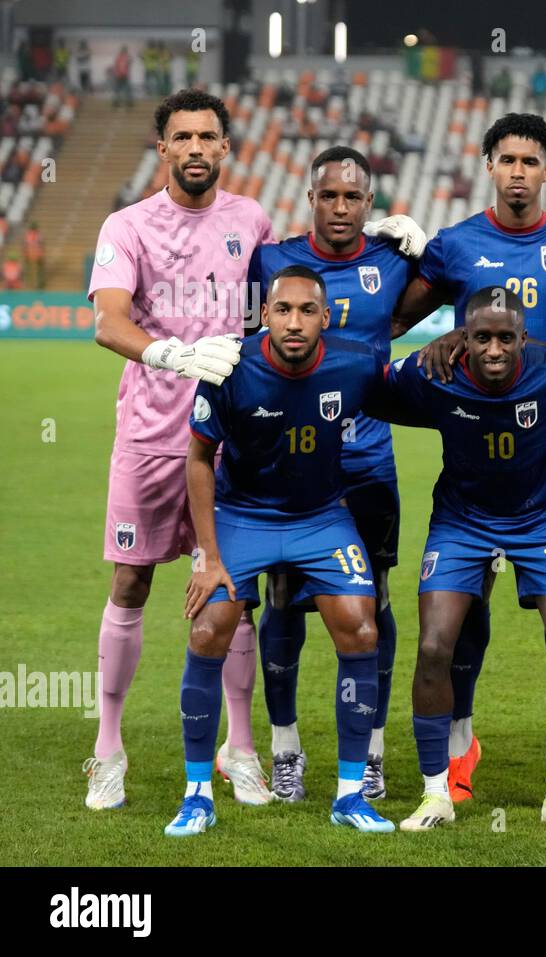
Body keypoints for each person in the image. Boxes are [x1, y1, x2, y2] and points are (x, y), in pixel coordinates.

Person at [393, 112, 546, 805]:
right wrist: (424, 320)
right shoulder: (455, 246)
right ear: (489, 165)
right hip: (474, 448)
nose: (519, 171)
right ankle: (460, 744)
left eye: (532, 160)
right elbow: (394, 322)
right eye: (508, 159)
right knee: (463, 611)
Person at [84, 89, 275, 812]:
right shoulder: (127, 224)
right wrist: (170, 353)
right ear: (162, 149)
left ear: (225, 147)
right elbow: (108, 320)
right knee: (131, 585)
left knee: (234, 595)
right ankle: (108, 748)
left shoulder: (251, 219)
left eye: (208, 137)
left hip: (231, 443)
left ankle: (240, 746)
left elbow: (290, 295)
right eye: (182, 137)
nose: (196, 148)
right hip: (149, 439)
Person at [169, 265, 393, 836]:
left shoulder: (357, 362)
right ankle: (197, 794)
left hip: (321, 517)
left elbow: (416, 398)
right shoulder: (230, 368)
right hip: (242, 517)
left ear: (325, 316)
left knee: (361, 629)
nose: (295, 323)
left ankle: (350, 794)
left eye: (307, 311)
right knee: (207, 629)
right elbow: (197, 459)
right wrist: (209, 556)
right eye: (283, 310)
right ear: (265, 314)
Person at [375, 288, 546, 833]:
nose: (494, 349)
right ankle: (434, 795)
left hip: (542, 519)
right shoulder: (433, 374)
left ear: (525, 338)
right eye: (481, 337)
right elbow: (365, 383)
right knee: (433, 646)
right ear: (461, 339)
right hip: (461, 522)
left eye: (505, 337)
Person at [247, 146, 425, 804]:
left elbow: (457, 283)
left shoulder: (393, 260)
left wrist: (425, 244)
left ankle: (372, 749)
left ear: (370, 205)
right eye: (330, 196)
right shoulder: (271, 262)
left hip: (369, 465)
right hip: (291, 467)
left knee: (373, 606)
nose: (342, 207)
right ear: (312, 198)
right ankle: (285, 745)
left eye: (354, 197)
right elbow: (245, 348)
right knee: (284, 605)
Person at [23, 222, 44, 290]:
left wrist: (25, 253)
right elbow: (41, 244)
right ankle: (37, 284)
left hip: (31, 253)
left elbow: (25, 245)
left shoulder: (28, 234)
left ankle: (34, 284)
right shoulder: (38, 234)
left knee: (33, 270)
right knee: (37, 270)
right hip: (36, 253)